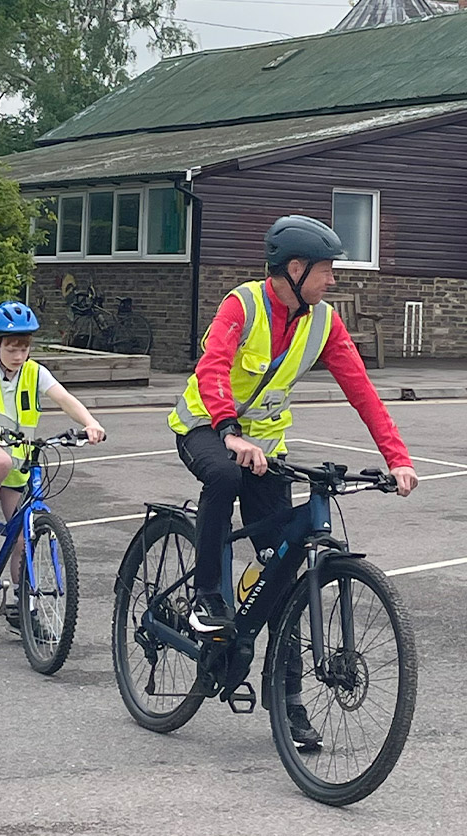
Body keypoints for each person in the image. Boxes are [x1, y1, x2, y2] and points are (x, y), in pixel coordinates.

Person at [167, 215, 418, 749]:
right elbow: (213, 368)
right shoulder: (243, 305)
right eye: (327, 270)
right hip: (207, 428)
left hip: (268, 448)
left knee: (283, 571)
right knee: (225, 475)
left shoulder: (323, 322)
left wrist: (397, 458)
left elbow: (363, 392)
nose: (333, 281)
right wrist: (229, 431)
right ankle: (208, 597)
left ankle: (289, 699)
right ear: (297, 268)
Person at [0, 301, 106, 631]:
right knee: (0, 459)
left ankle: (23, 609)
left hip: (18, 463)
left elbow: (64, 398)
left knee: (22, 540)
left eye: (23, 348)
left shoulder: (35, 372)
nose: (18, 355)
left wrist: (90, 423)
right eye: (11, 347)